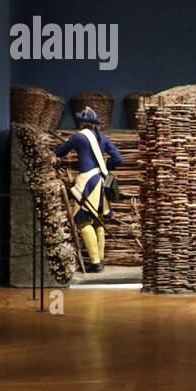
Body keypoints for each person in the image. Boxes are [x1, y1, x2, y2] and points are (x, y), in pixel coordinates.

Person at [53, 107, 122, 273]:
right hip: (101, 182)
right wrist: (105, 167)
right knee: (98, 221)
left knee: (84, 222)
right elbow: (118, 158)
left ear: (83, 122)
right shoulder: (102, 138)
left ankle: (95, 262)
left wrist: (53, 153)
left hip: (88, 183)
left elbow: (60, 152)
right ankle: (100, 259)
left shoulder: (79, 137)